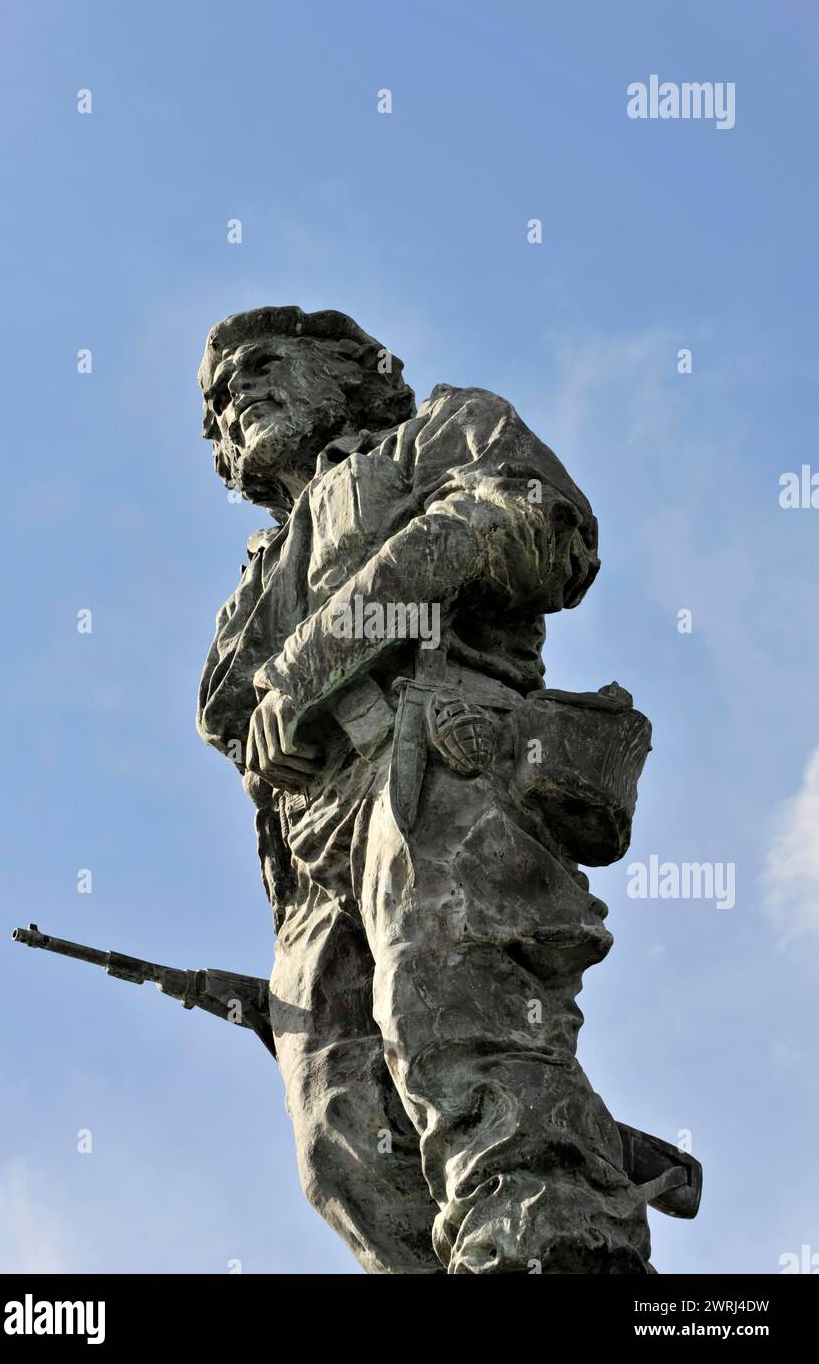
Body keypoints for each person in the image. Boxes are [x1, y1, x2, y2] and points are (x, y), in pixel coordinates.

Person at [196, 306, 653, 1273]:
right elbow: (230, 720)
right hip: (315, 861)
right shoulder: (253, 585)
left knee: (455, 1024)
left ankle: (551, 1243)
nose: (237, 400)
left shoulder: (441, 429)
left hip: (439, 766)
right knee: (338, 1135)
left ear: (355, 370)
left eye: (264, 364)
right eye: (218, 405)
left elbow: (529, 524)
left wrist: (323, 648)